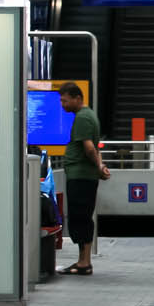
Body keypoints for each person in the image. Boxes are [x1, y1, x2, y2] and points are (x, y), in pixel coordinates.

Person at [58, 82, 109, 274]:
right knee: (83, 217)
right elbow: (95, 147)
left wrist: (98, 166)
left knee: (80, 218)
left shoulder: (82, 118)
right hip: (84, 175)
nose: (63, 104)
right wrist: (100, 167)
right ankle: (82, 261)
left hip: (80, 176)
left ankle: (84, 262)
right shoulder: (88, 116)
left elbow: (89, 147)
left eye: (65, 100)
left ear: (77, 98)